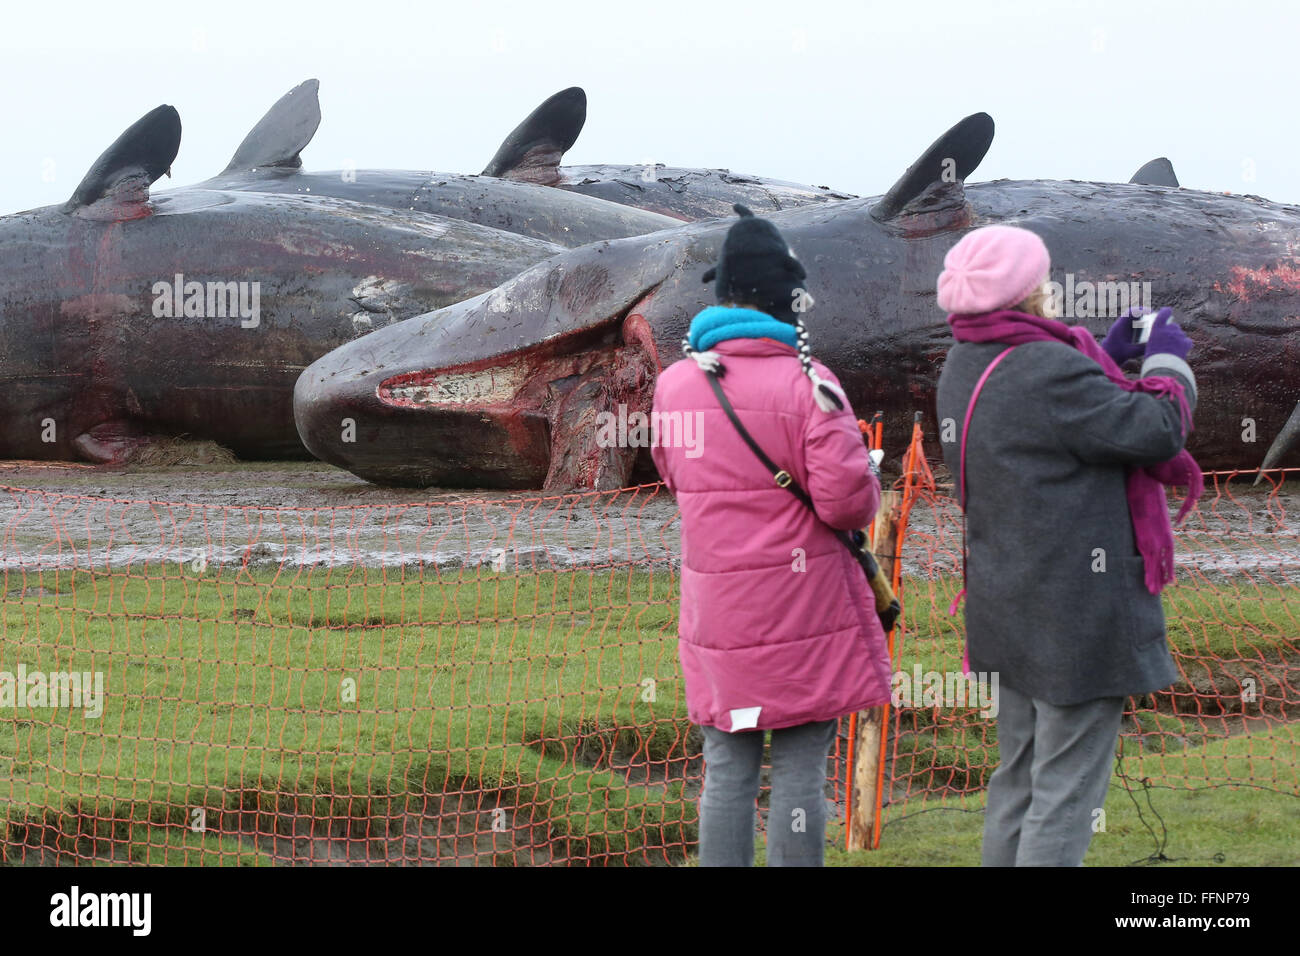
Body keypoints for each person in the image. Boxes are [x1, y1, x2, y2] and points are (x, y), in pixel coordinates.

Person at [933, 224, 1201, 866]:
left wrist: (1098, 358)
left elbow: (1065, 421)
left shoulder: (966, 362)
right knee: (1064, 793)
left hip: (1007, 607)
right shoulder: (1047, 367)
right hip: (1073, 620)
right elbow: (1159, 429)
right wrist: (1166, 358)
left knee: (1019, 780)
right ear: (1032, 290)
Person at [650, 205, 892, 867]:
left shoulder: (674, 386)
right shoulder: (812, 383)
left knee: (726, 771)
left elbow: (675, 476)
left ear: (723, 292)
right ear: (789, 301)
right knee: (798, 774)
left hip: (720, 612)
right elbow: (845, 505)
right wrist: (869, 478)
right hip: (804, 609)